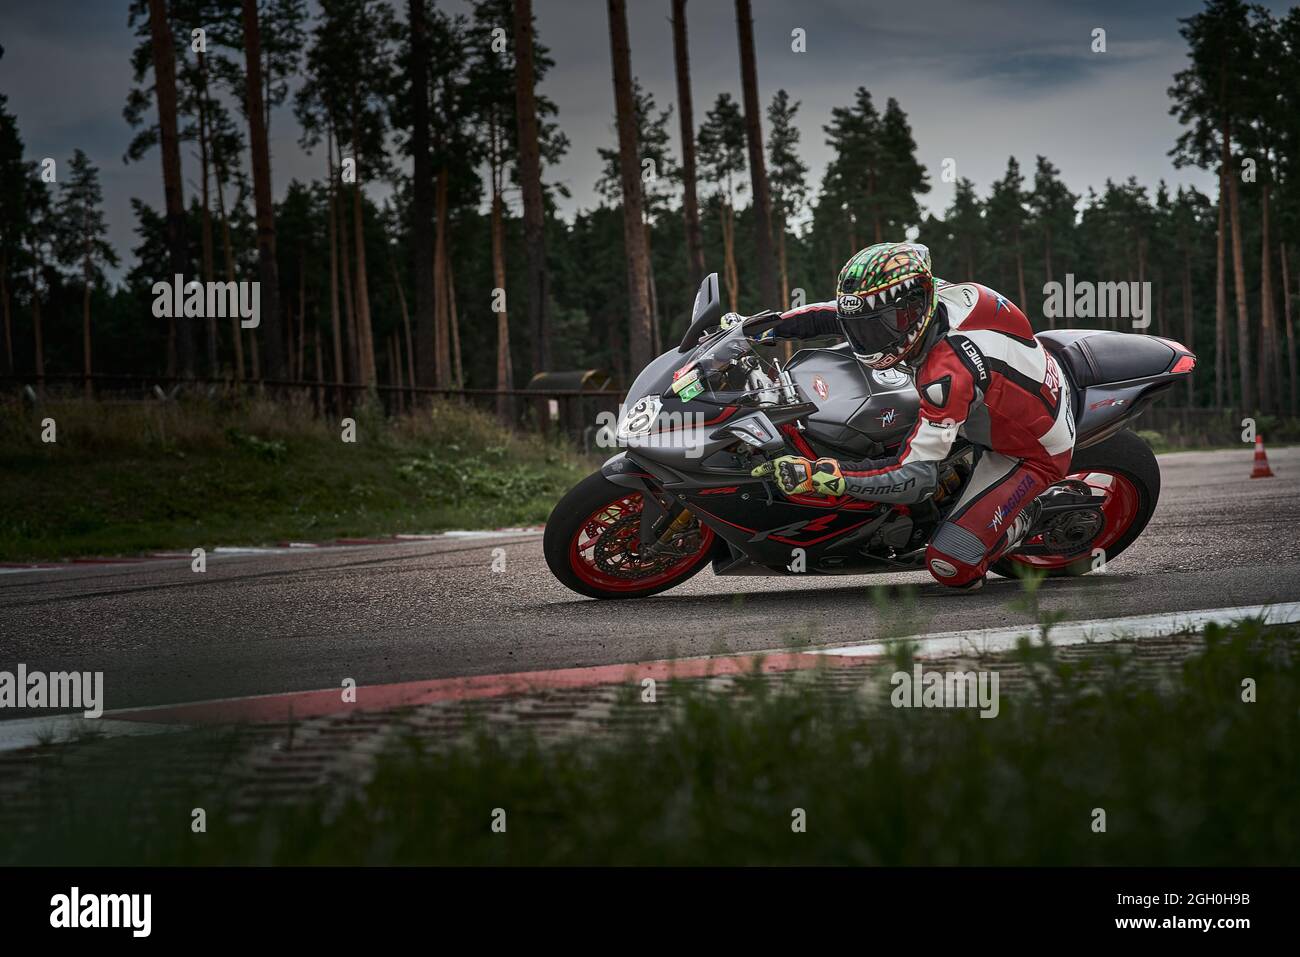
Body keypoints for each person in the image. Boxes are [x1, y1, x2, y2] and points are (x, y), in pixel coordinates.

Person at [748, 241, 1076, 592]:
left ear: (916, 307)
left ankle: (1029, 513)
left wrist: (821, 476)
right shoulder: (928, 294)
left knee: (952, 565)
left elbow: (915, 478)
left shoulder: (947, 372)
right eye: (861, 326)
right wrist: (757, 328)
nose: (865, 338)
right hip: (996, 397)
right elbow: (833, 314)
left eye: (879, 326)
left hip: (1028, 451)